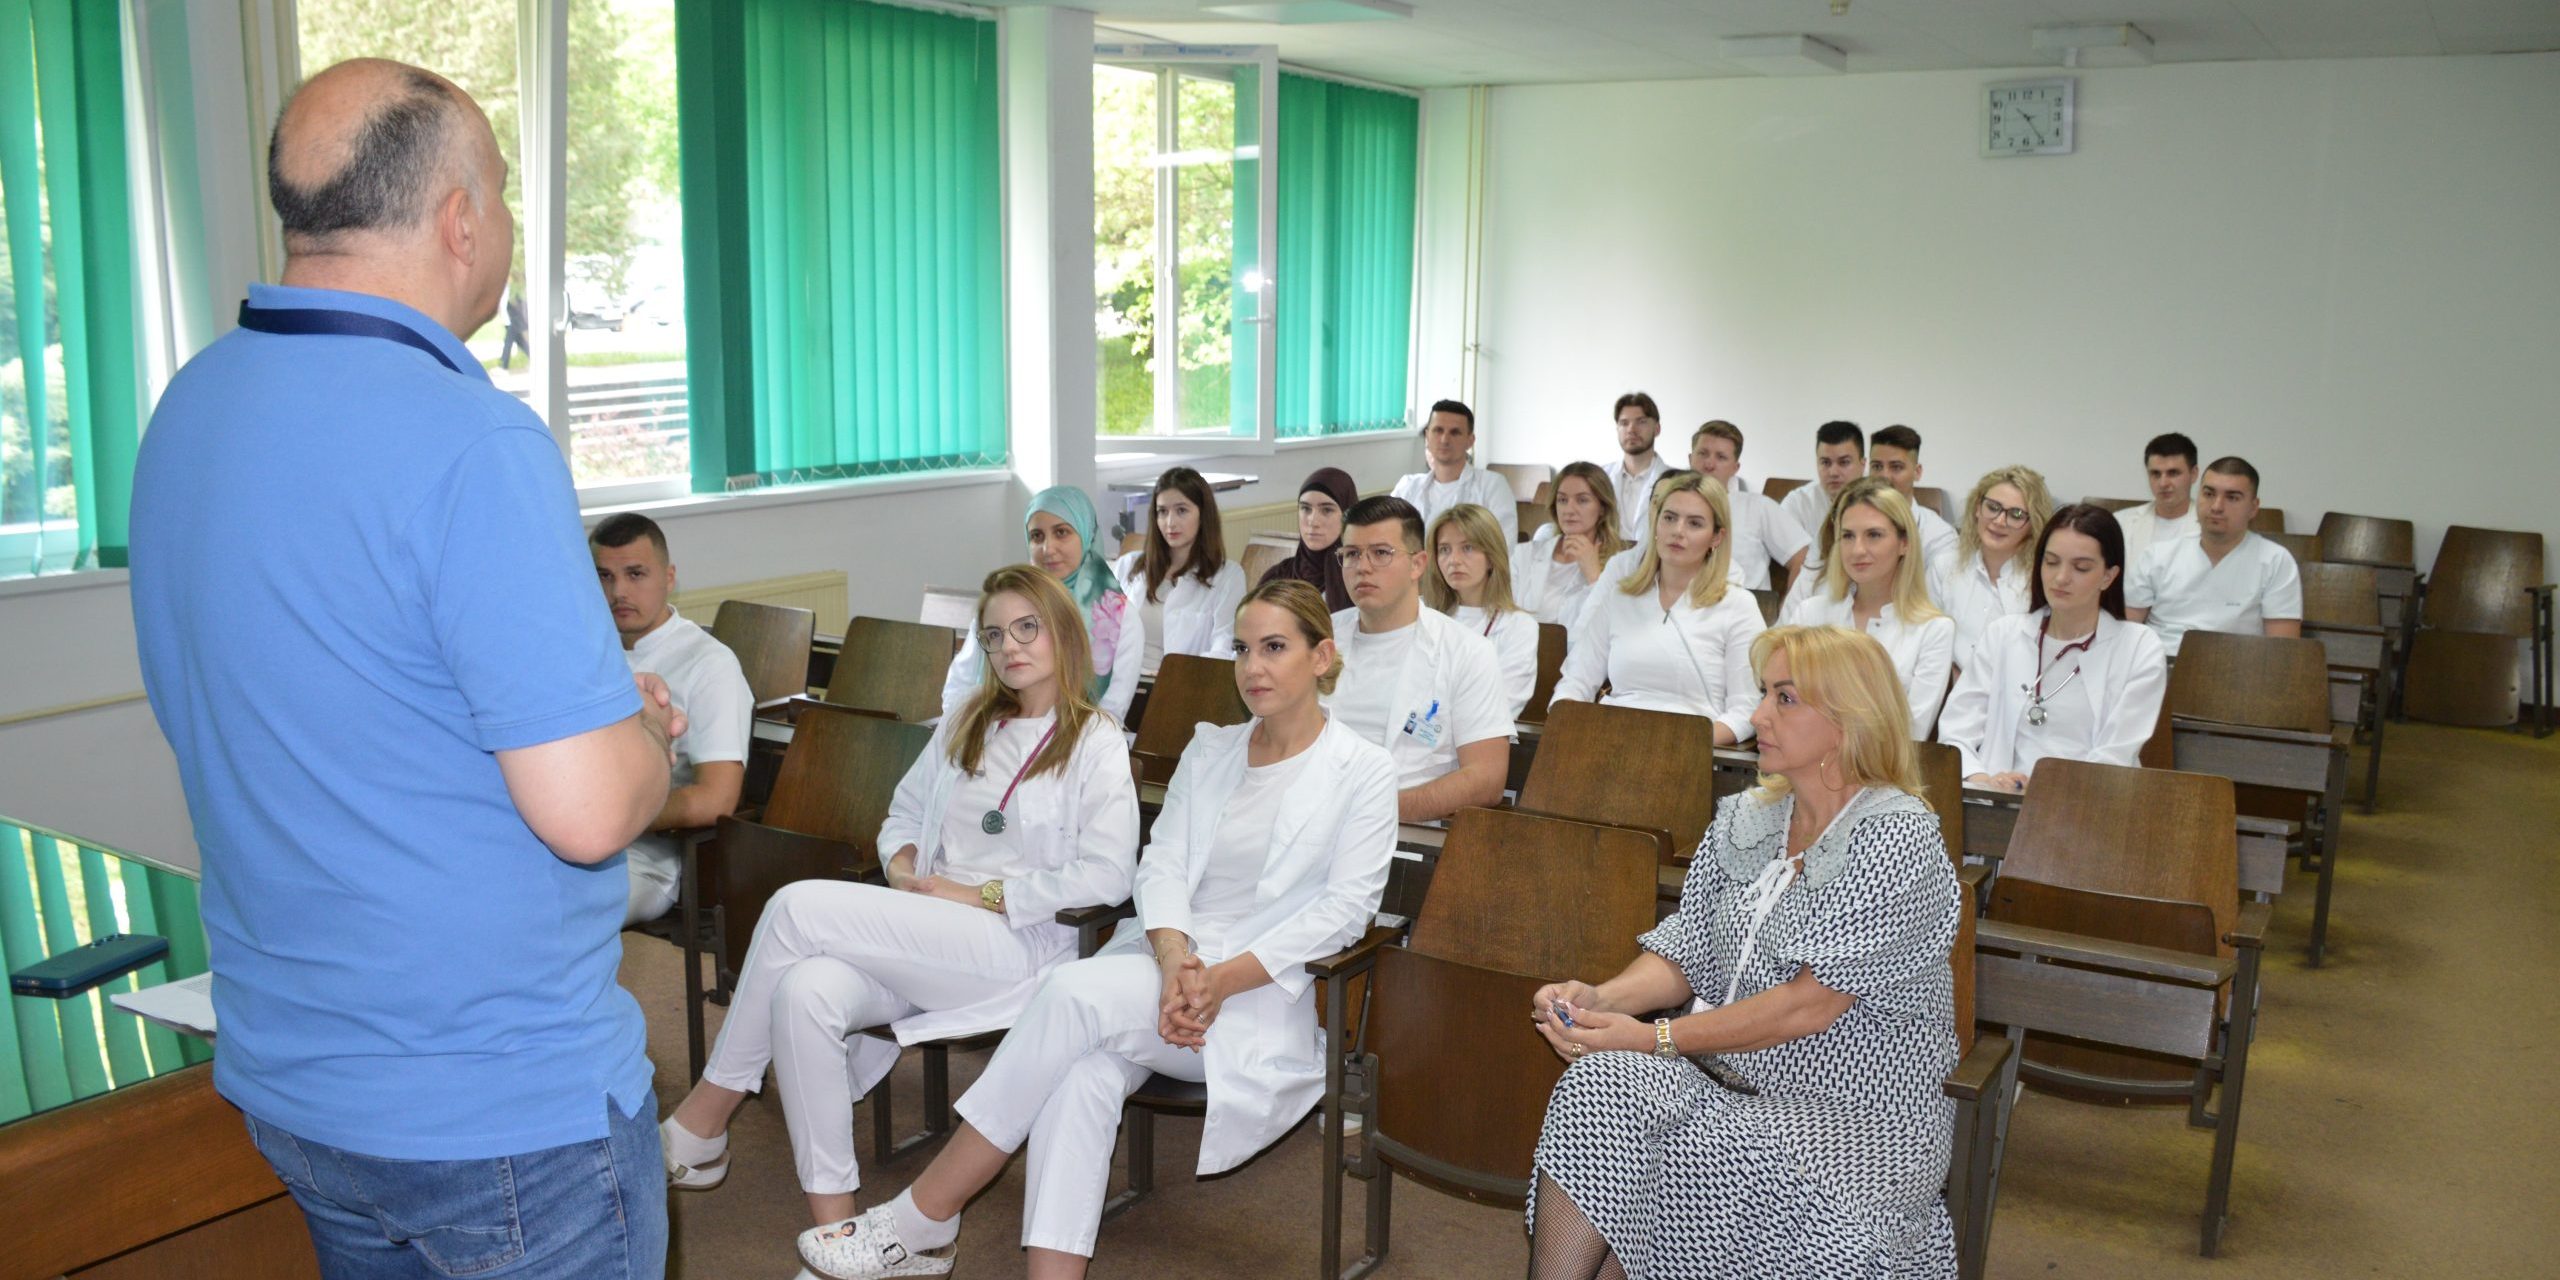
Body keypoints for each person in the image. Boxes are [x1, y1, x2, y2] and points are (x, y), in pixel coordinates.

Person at [129, 60, 677, 1275]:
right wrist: (646, 741)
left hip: (297, 1076)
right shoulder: (470, 439)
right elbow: (589, 811)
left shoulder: (191, 405)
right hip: (494, 1110)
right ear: (461, 217)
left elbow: (301, 706)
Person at [796, 579, 1397, 1280]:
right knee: (1081, 1074)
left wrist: (1220, 982)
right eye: (1241, 649)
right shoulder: (1211, 750)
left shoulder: (1364, 771)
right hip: (1163, 968)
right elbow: (1163, 865)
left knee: (1072, 997)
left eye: (1274, 648)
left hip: (1262, 999)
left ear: (1322, 656)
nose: (1252, 668)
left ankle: (920, 1217)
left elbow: (1342, 911)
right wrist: (1177, 961)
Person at [661, 565, 1138, 1251]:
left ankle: (706, 1117)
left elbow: (1108, 872)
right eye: (995, 634)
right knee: (803, 991)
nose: (1010, 647)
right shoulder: (965, 720)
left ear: (1063, 630)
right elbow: (903, 814)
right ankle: (840, 1234)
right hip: (928, 930)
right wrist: (906, 866)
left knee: (797, 908)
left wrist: (976, 895)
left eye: (1026, 628)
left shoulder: (1094, 738)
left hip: (1016, 944)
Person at [1526, 624, 1963, 1280]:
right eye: (1764, 693)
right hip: (1726, 1080)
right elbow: (1686, 948)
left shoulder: (1898, 837)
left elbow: (1808, 1006)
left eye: (1784, 698)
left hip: (1853, 1122)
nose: (1758, 715)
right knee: (1598, 1087)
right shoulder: (1745, 818)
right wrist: (1599, 1001)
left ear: (1849, 718)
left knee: (1673, 1145)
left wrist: (1651, 1040)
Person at [592, 513, 751, 926]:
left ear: (669, 576)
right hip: (570, 837)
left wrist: (613, 817)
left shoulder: (709, 664)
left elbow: (717, 798)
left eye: (635, 574)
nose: (618, 591)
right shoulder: (586, 649)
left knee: (551, 920)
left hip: (644, 860)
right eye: (604, 576)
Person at [1940, 505, 2168, 792]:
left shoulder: (2139, 647)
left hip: (2090, 805)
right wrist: (1983, 780)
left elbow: (2116, 753)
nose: (2061, 578)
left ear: (2108, 576)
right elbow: (1956, 730)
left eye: (2081, 567)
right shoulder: (2003, 635)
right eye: (2051, 562)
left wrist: (2047, 790)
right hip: (1999, 803)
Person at [1325, 496, 1510, 822]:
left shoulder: (1468, 653)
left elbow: (1487, 778)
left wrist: (1372, 812)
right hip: (1308, 821)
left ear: (1418, 564)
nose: (1363, 567)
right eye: (1352, 554)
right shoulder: (1318, 638)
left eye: (1381, 553)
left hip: (1409, 836)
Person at [1550, 472, 1766, 746]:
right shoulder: (1620, 597)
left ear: (1716, 538)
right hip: (1608, 740)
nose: (1678, 530)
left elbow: (1746, 710)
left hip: (1689, 750)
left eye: (1695, 523)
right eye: (1670, 518)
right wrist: (1571, 724)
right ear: (1656, 525)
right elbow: (1576, 681)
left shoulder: (1738, 606)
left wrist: (1679, 744)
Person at [943, 487, 1146, 724]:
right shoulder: (1005, 605)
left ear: (1087, 534)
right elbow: (961, 685)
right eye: (1037, 536)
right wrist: (966, 733)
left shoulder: (1119, 617)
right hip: (993, 735)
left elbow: (1111, 711)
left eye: (1061, 533)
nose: (1048, 549)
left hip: (1081, 746)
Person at [1781, 479, 1957, 739]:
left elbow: (1911, 732)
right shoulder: (1810, 614)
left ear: (1904, 543)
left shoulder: (1934, 630)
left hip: (1881, 775)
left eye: (1874, 535)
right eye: (1848, 536)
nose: (1857, 550)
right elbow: (1784, 705)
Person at [2126, 456, 2303, 656]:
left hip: (2234, 673)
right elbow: (2126, 632)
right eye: (2209, 494)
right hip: (2159, 668)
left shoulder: (2275, 561)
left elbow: (2282, 651)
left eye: (2232, 497)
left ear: (2253, 507)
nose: (2217, 506)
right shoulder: (2158, 555)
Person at [1111, 466, 1247, 674]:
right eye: (1162, 512)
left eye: (1181, 510)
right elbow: (1101, 636)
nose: (1170, 523)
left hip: (1184, 690)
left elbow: (1224, 650)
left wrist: (1175, 681)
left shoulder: (1228, 576)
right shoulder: (1128, 566)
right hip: (1125, 686)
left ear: (1203, 515)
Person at [1426, 504, 1541, 721]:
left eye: (1467, 548)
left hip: (1476, 744)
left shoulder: (1519, 626)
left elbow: (1502, 710)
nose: (1454, 560)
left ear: (1491, 557)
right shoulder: (1422, 613)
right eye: (1444, 549)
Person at [1940, 466, 2054, 667]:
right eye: (1992, 507)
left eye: (2016, 514)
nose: (1999, 521)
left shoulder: (2042, 581)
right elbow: (1927, 638)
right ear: (1977, 508)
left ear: (2033, 524)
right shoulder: (1944, 566)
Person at [1689, 419, 1812, 591]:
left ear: (1735, 468)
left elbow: (1803, 557)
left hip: (1744, 609)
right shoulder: (1669, 508)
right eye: (1703, 453)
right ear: (1690, 459)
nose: (1709, 464)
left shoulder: (1757, 507)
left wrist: (1786, 611)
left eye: (1721, 457)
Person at [1511, 460, 1633, 627]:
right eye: (1562, 500)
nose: (1569, 509)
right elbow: (1504, 617)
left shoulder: (1623, 564)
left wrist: (1594, 576)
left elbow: (1617, 630)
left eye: (1582, 500)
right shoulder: (1523, 554)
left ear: (1602, 507)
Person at [1390, 399, 1519, 544]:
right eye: (1438, 430)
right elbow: (1386, 537)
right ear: (1427, 436)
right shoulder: (1408, 486)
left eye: (1455, 432)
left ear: (1470, 441)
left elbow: (1503, 548)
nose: (1445, 439)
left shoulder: (1492, 486)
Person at [1256, 467, 1358, 611]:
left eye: (1327, 510)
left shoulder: (1360, 578)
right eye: (1305, 508)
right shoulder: (1277, 577)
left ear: (1347, 514)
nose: (1313, 521)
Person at [1865, 424, 1962, 567]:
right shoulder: (1853, 524)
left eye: (1896, 467)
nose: (1884, 476)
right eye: (1877, 466)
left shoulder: (1939, 537)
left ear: (1917, 472)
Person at [1776, 420, 1867, 562]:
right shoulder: (1798, 502)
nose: (1833, 472)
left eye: (1844, 462)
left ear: (1863, 465)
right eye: (1825, 462)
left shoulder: (1881, 503)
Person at [2115, 432, 2201, 567]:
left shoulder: (2210, 527)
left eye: (2173, 473)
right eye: (2155, 474)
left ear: (2194, 474)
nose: (2163, 483)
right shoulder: (2121, 523)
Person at [1600, 391, 1671, 545]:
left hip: (1656, 563)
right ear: (1617, 429)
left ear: (1657, 429)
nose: (1631, 429)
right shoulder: (1600, 476)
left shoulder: (1675, 480)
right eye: (1624, 423)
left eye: (1641, 422)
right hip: (1605, 560)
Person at [498, 278, 529, 370]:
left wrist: (522, 325)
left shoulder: (513, 292)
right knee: (521, 343)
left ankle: (503, 366)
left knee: (507, 343)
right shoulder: (503, 291)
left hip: (514, 322)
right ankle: (537, 358)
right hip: (507, 321)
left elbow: (518, 307)